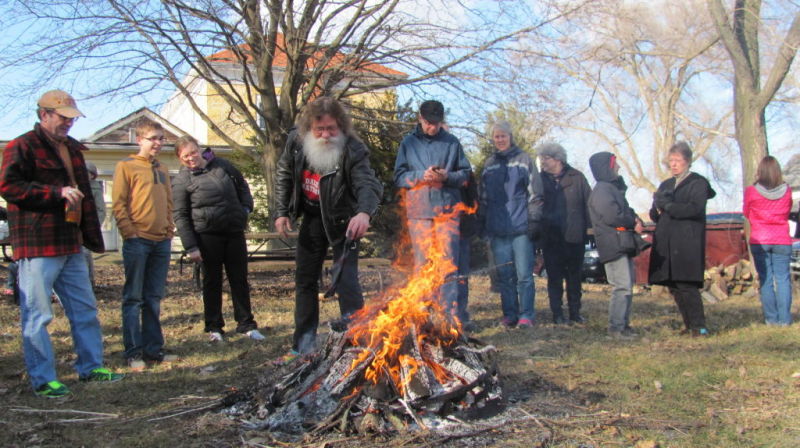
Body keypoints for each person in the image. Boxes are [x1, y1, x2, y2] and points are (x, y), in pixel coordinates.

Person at [0, 89, 123, 398]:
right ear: (44, 115)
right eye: (63, 117)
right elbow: (8, 186)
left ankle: (91, 367)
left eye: (72, 118)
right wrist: (54, 193)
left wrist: (90, 235)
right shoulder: (22, 146)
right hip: (39, 244)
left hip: (71, 241)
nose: (69, 123)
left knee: (85, 309)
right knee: (37, 314)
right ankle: (43, 379)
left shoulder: (73, 149)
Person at [275, 97, 382, 361]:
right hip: (312, 217)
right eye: (319, 130)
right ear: (308, 129)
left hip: (343, 220)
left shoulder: (353, 149)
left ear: (341, 127)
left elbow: (367, 183)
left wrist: (364, 213)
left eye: (331, 129)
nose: (325, 135)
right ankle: (303, 345)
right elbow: (285, 173)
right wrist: (281, 212)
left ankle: (355, 343)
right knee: (305, 281)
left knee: (347, 282)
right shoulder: (296, 142)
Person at [172, 136, 265, 341]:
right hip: (206, 237)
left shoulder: (222, 165)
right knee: (212, 282)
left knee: (239, 280)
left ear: (199, 149)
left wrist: (245, 208)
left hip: (233, 232)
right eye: (185, 156)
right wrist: (191, 246)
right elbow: (180, 215)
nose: (191, 158)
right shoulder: (181, 181)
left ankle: (246, 324)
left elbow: (242, 186)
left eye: (193, 152)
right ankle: (214, 327)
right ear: (180, 158)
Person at [394, 100, 471, 320]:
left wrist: (447, 176)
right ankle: (423, 316)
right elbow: (398, 177)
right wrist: (420, 176)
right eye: (429, 123)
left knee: (448, 263)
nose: (432, 127)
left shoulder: (452, 142)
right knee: (423, 265)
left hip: (448, 212)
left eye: (437, 123)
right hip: (419, 213)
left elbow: (465, 174)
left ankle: (448, 317)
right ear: (420, 119)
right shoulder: (408, 143)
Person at [112, 119, 177, 371]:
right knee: (134, 298)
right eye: (153, 138)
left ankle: (153, 350)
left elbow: (169, 202)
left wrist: (169, 228)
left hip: (161, 242)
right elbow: (118, 204)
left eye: (161, 138)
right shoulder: (126, 166)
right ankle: (133, 352)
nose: (158, 143)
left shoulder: (161, 169)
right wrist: (130, 232)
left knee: (153, 298)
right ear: (139, 140)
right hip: (138, 241)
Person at [478, 121, 543, 328]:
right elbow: (483, 198)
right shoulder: (489, 165)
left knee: (524, 275)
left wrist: (533, 221)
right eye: (496, 136)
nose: (500, 139)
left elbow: (536, 194)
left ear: (510, 136)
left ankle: (526, 315)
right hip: (498, 230)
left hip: (521, 228)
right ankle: (510, 314)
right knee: (504, 277)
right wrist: (484, 225)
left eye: (503, 136)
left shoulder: (524, 160)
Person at [648, 142, 715, 337]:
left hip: (687, 242)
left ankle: (699, 326)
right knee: (674, 286)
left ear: (687, 161)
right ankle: (688, 325)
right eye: (671, 161)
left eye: (678, 161)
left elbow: (693, 209)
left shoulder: (698, 183)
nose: (674, 165)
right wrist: (657, 208)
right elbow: (657, 214)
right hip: (667, 242)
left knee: (687, 285)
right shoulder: (666, 184)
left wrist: (668, 206)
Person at [588, 152, 643, 339]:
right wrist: (631, 221)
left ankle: (624, 326)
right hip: (613, 244)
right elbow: (612, 216)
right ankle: (616, 328)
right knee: (622, 286)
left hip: (620, 243)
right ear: (607, 166)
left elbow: (623, 211)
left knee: (626, 285)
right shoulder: (603, 190)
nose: (618, 167)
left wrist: (633, 217)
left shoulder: (611, 188)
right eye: (615, 164)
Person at [537, 143, 592, 324]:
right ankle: (557, 314)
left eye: (546, 158)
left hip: (574, 236)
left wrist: (590, 231)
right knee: (554, 278)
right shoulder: (538, 180)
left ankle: (575, 313)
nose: (542, 162)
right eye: (542, 158)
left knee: (574, 277)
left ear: (558, 159)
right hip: (551, 237)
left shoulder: (577, 177)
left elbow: (588, 204)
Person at [743, 156, 794, 325]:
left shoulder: (751, 191)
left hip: (760, 239)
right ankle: (785, 320)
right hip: (782, 239)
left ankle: (771, 319)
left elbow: (746, 212)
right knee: (783, 279)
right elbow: (787, 211)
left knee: (765, 279)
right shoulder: (786, 190)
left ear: (760, 172)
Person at [84, 162, 106, 287]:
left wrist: (94, 226)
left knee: (85, 254)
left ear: (92, 175)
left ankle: (89, 283)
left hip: (89, 228)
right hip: (75, 227)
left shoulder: (95, 189)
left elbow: (101, 210)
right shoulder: (76, 186)